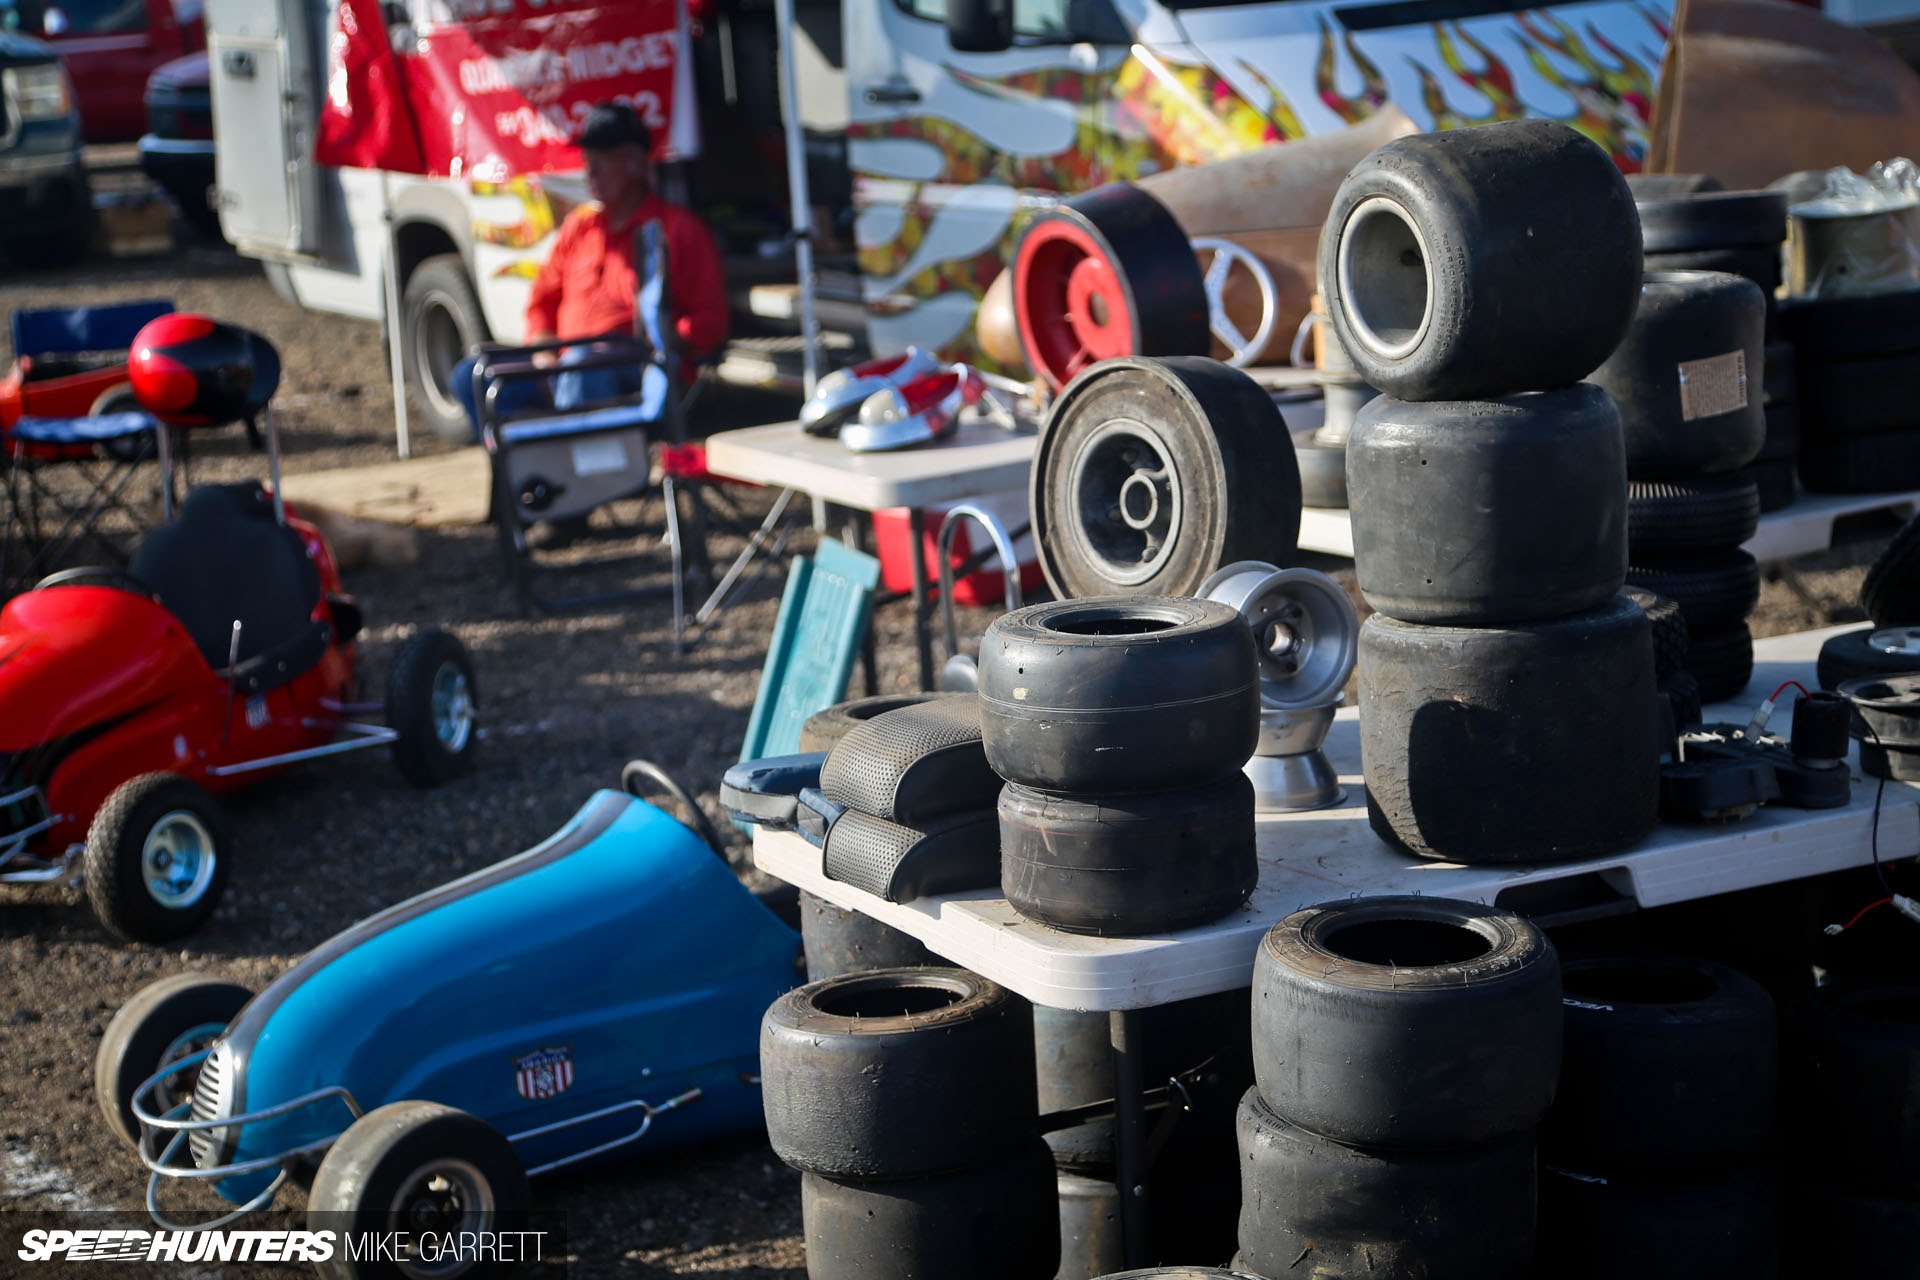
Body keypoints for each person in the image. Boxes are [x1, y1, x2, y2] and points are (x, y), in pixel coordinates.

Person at [453, 99, 729, 441]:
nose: (590, 172)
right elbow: (542, 301)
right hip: (566, 367)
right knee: (473, 375)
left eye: (603, 160)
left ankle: (574, 470)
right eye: (588, 161)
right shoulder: (580, 227)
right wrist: (543, 352)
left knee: (585, 367)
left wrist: (666, 337)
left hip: (630, 371)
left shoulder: (676, 230)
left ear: (635, 163)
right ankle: (528, 476)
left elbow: (711, 319)